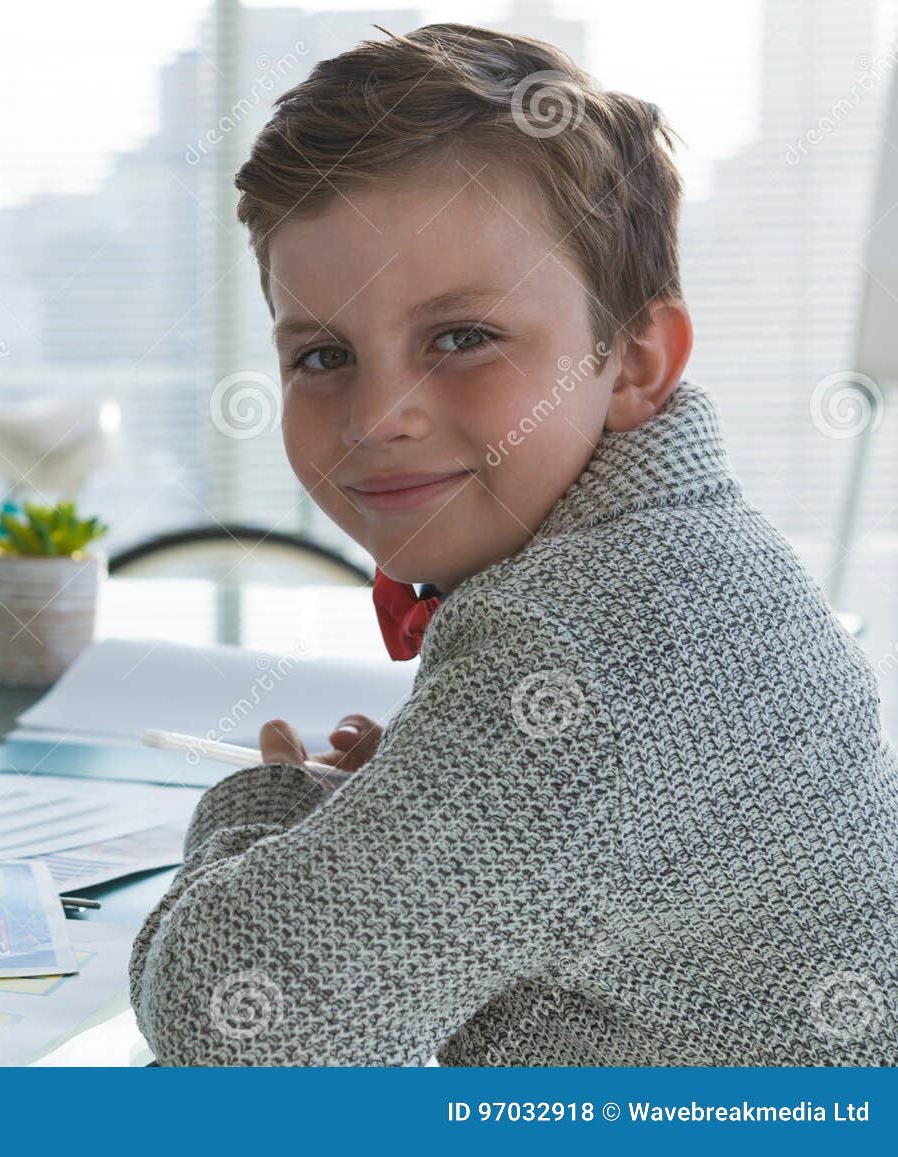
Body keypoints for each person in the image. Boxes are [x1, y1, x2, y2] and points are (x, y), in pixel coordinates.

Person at [129, 22, 898, 1065]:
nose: (378, 414)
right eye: (322, 353)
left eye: (461, 337)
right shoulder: (688, 552)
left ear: (632, 361)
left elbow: (233, 1025)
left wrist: (259, 813)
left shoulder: (572, 642)